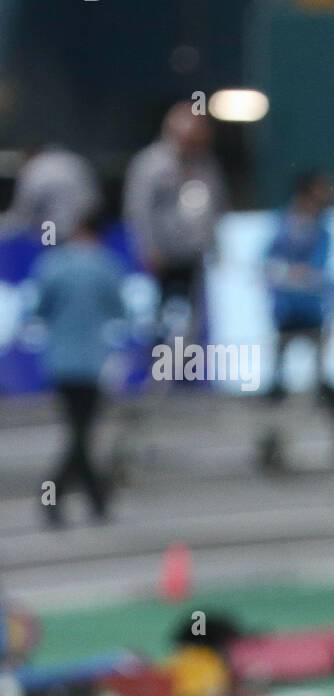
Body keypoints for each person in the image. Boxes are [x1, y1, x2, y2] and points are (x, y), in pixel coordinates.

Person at [257, 169, 334, 471]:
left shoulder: (323, 230)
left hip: (313, 314)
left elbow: (318, 270)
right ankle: (271, 443)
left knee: (322, 378)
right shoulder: (284, 224)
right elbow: (269, 264)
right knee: (278, 382)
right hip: (287, 314)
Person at [30, 209, 126, 527]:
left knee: (79, 432)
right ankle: (64, 496)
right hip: (93, 361)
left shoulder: (54, 265)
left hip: (61, 361)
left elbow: (39, 309)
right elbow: (119, 308)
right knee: (81, 434)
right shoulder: (105, 265)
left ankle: (94, 500)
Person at [123, 102, 228, 344]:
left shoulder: (205, 164)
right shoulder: (150, 164)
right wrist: (148, 248)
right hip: (162, 255)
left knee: (194, 319)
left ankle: (187, 368)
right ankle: (157, 371)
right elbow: (138, 210)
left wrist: (214, 244)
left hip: (196, 255)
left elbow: (215, 205)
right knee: (161, 318)